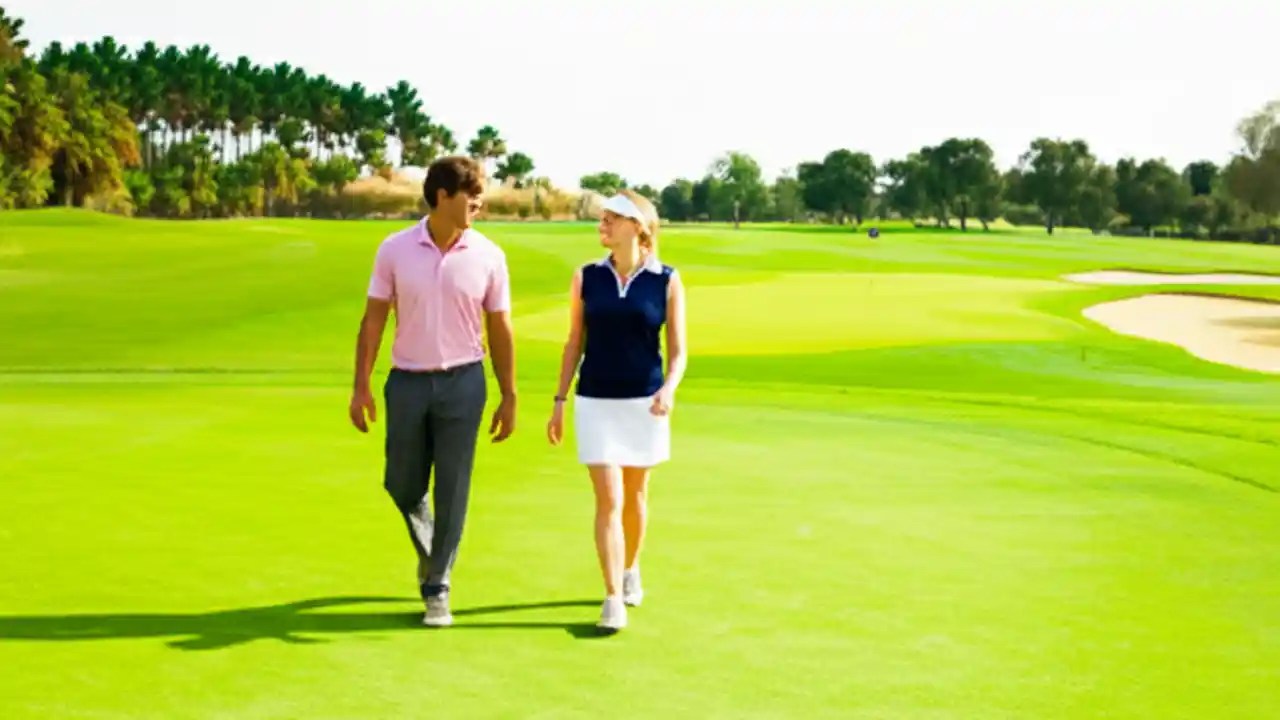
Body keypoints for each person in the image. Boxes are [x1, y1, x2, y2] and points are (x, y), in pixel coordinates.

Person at [348, 155, 517, 628]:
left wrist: (509, 393)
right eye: (471, 195)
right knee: (401, 484)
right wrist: (361, 386)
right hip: (407, 382)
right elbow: (373, 320)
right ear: (442, 196)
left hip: (465, 382)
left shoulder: (489, 255)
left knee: (453, 486)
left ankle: (438, 583)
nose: (479, 203)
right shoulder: (395, 249)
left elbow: (500, 327)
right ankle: (431, 548)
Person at [546, 189, 688, 632]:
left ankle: (630, 569)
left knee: (635, 495)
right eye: (602, 218)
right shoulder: (586, 277)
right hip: (595, 400)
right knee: (608, 498)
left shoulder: (666, 279)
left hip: (645, 404)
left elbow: (679, 351)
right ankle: (612, 597)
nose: (602, 224)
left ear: (637, 227)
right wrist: (559, 401)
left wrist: (669, 389)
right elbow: (574, 342)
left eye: (612, 218)